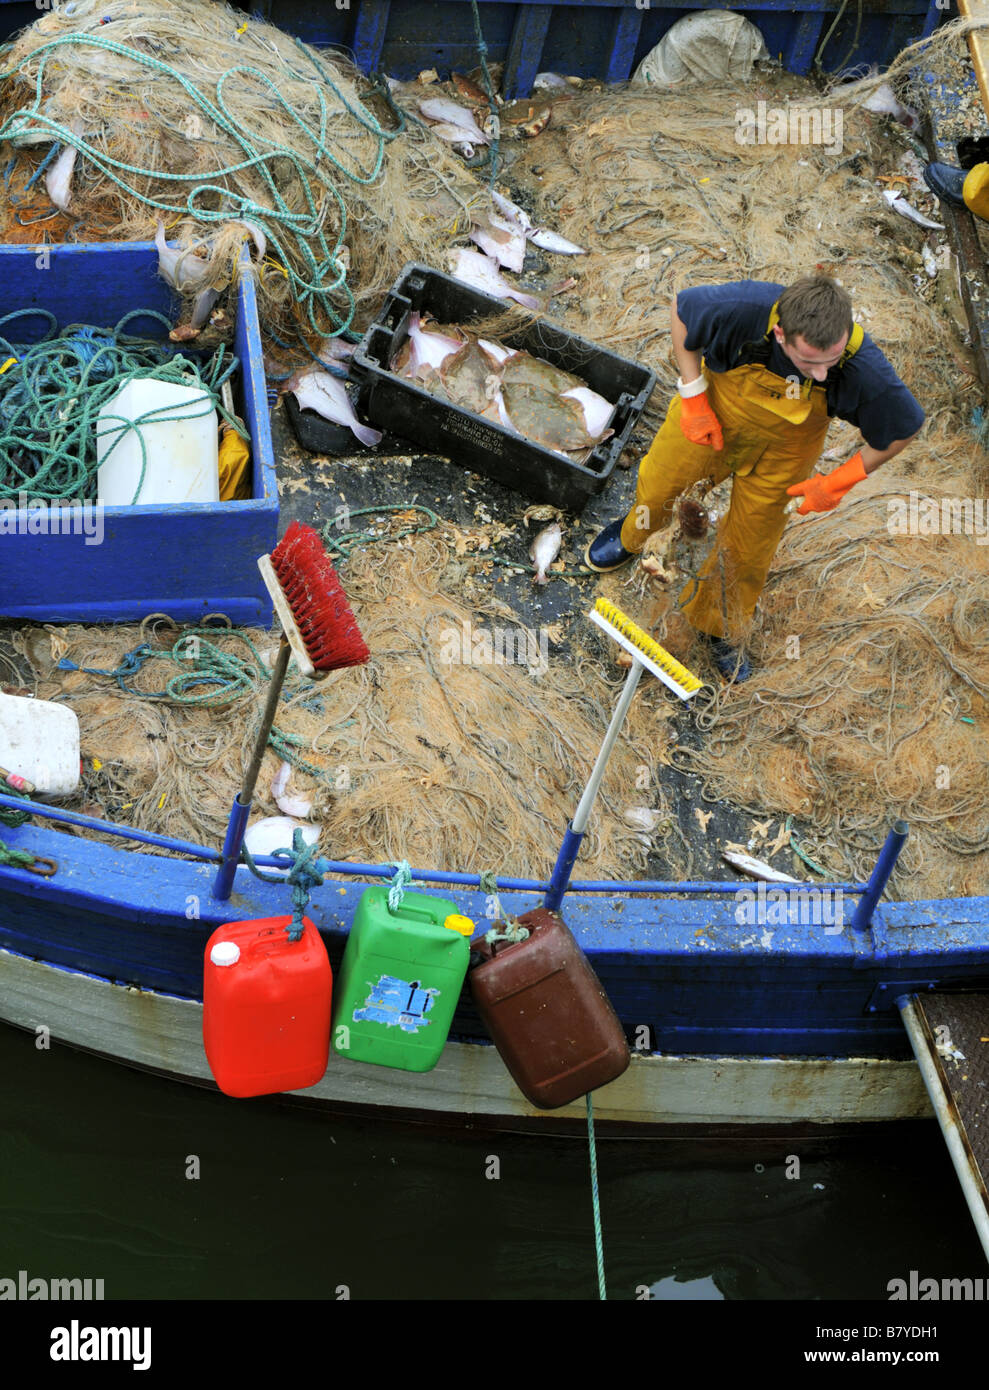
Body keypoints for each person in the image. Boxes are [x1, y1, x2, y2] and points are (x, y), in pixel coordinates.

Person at [584, 275, 924, 681]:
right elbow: (681, 311)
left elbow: (903, 429)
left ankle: (717, 622)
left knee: (751, 544)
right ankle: (631, 538)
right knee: (660, 484)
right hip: (713, 414)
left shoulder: (862, 366)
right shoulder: (742, 308)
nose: (819, 375)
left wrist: (836, 482)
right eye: (809, 361)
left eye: (829, 362)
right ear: (780, 334)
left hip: (786, 451)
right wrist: (692, 398)